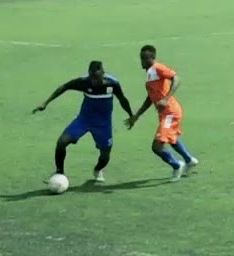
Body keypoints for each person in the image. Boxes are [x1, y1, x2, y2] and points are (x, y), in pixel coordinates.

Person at [32, 60, 135, 185]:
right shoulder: (84, 82)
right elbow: (65, 86)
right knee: (61, 142)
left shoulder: (112, 83)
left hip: (103, 125)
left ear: (103, 73)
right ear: (89, 74)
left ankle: (97, 170)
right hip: (84, 120)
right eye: (92, 78)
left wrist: (131, 115)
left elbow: (122, 99)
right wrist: (46, 103)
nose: (94, 81)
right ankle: (59, 172)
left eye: (97, 78)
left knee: (105, 156)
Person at [126, 45, 199, 181]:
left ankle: (177, 165)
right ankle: (189, 160)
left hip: (170, 112)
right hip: (165, 113)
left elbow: (176, 78)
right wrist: (137, 116)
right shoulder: (149, 75)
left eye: (144, 58)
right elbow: (150, 98)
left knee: (157, 146)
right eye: (141, 58)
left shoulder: (158, 68)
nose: (142, 61)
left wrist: (166, 99)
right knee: (171, 138)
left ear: (152, 58)